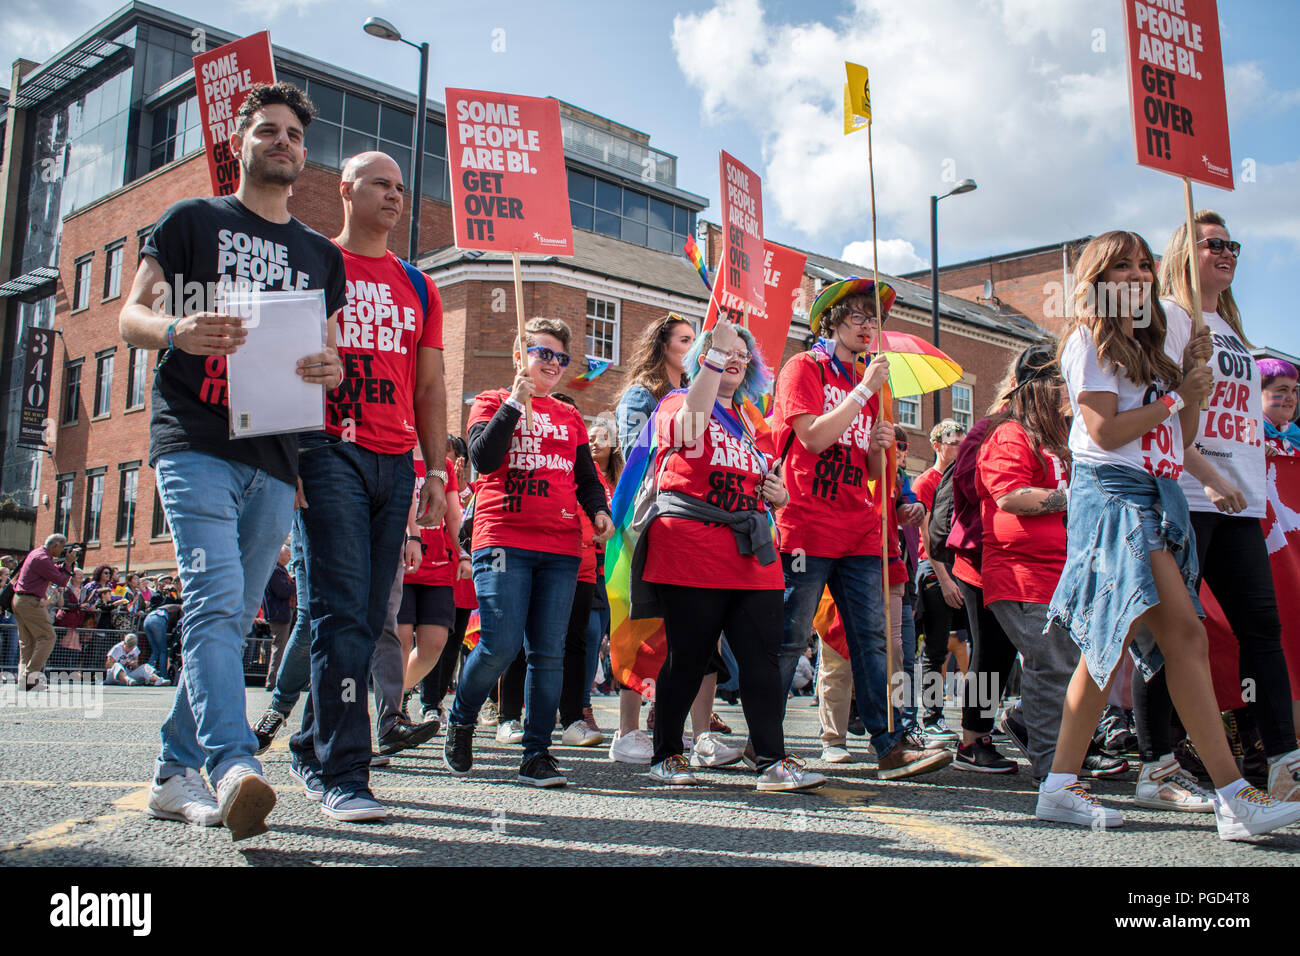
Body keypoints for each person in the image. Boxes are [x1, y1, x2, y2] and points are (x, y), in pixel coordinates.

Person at [121, 81, 346, 840]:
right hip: (195, 440)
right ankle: (232, 764)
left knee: (232, 614)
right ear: (240, 143)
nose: (282, 142)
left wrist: (330, 373)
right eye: (267, 131)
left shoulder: (320, 255)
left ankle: (169, 774)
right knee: (216, 601)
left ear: (303, 154)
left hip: (277, 456)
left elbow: (329, 357)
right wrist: (176, 330)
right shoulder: (193, 221)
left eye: (292, 135)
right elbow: (131, 315)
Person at [1041, 229, 1300, 839]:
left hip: (1152, 493)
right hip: (1111, 493)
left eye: (1142, 266)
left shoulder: (1145, 347)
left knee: (1143, 640)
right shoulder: (1089, 339)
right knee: (1171, 635)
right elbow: (1104, 432)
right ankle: (1234, 797)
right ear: (1096, 281)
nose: (1136, 276)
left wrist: (1192, 388)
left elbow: (1175, 440)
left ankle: (1064, 785)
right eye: (1121, 267)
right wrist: (1174, 399)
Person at [287, 149, 448, 823]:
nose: (394, 195)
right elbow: (281, 361)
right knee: (342, 613)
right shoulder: (314, 264)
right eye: (379, 183)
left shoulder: (419, 283)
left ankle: (306, 743)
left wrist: (436, 470)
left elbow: (432, 384)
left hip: (396, 462)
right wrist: (291, 456)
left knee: (368, 618)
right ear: (344, 189)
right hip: (328, 451)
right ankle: (344, 773)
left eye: (401, 187)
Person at [634, 318, 823, 791]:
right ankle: (667, 753)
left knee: (762, 657)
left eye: (744, 354)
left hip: (750, 551)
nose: (736, 358)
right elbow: (688, 429)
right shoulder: (678, 402)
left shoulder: (745, 422)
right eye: (724, 351)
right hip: (692, 546)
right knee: (690, 656)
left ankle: (772, 761)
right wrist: (714, 356)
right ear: (703, 358)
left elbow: (757, 482)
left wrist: (775, 495)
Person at [774, 277, 950, 781]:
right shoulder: (803, 367)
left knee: (873, 640)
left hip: (859, 531)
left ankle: (889, 745)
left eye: (874, 318)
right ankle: (767, 744)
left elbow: (872, 475)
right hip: (806, 526)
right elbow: (810, 439)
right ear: (831, 321)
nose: (868, 325)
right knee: (789, 638)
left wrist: (879, 444)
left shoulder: (871, 383)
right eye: (857, 316)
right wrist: (862, 392)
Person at [1156, 210, 1299, 804]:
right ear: (1184, 253)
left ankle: (1285, 764)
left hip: (1240, 503)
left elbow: (1241, 421)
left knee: (1261, 631)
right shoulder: (1169, 317)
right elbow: (1160, 410)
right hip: (1190, 496)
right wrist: (1207, 475)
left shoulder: (1233, 328)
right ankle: (1156, 765)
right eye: (1212, 243)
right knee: (1174, 633)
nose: (1226, 252)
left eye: (1231, 243)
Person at [443, 317, 614, 787]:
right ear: (520, 356)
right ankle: (462, 717)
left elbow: (584, 480)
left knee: (548, 652)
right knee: (499, 642)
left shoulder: (570, 416)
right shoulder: (492, 401)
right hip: (502, 539)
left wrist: (598, 510)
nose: (554, 365)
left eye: (562, 358)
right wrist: (516, 402)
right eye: (544, 354)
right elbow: (484, 458)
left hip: (560, 546)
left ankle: (537, 753)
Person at [610, 312, 714, 763]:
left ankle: (693, 729)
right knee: (641, 622)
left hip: (693, 520)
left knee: (691, 629)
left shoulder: (701, 394)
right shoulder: (640, 394)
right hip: (648, 516)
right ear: (662, 346)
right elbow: (640, 454)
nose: (693, 347)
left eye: (697, 340)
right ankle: (627, 732)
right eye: (685, 339)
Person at [12, 534, 79, 689]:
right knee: (48, 637)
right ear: (55, 545)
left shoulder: (37, 554)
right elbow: (61, 580)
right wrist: (69, 563)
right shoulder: (42, 558)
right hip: (30, 602)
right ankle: (30, 676)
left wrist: (65, 565)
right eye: (62, 547)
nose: (63, 551)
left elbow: (53, 571)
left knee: (27, 643)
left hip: (20, 600)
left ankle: (25, 682)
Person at [261, 545, 295, 691]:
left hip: (280, 613)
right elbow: (282, 591)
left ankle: (275, 679)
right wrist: (296, 584)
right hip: (279, 614)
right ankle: (273, 680)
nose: (289, 558)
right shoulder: (276, 571)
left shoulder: (278, 570)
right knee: (279, 648)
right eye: (287, 554)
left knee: (280, 647)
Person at [1260, 358, 1300, 456]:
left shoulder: (1295, 434)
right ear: (1257, 392)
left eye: (1294, 390)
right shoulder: (1243, 433)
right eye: (1283, 390)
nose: (1291, 398)